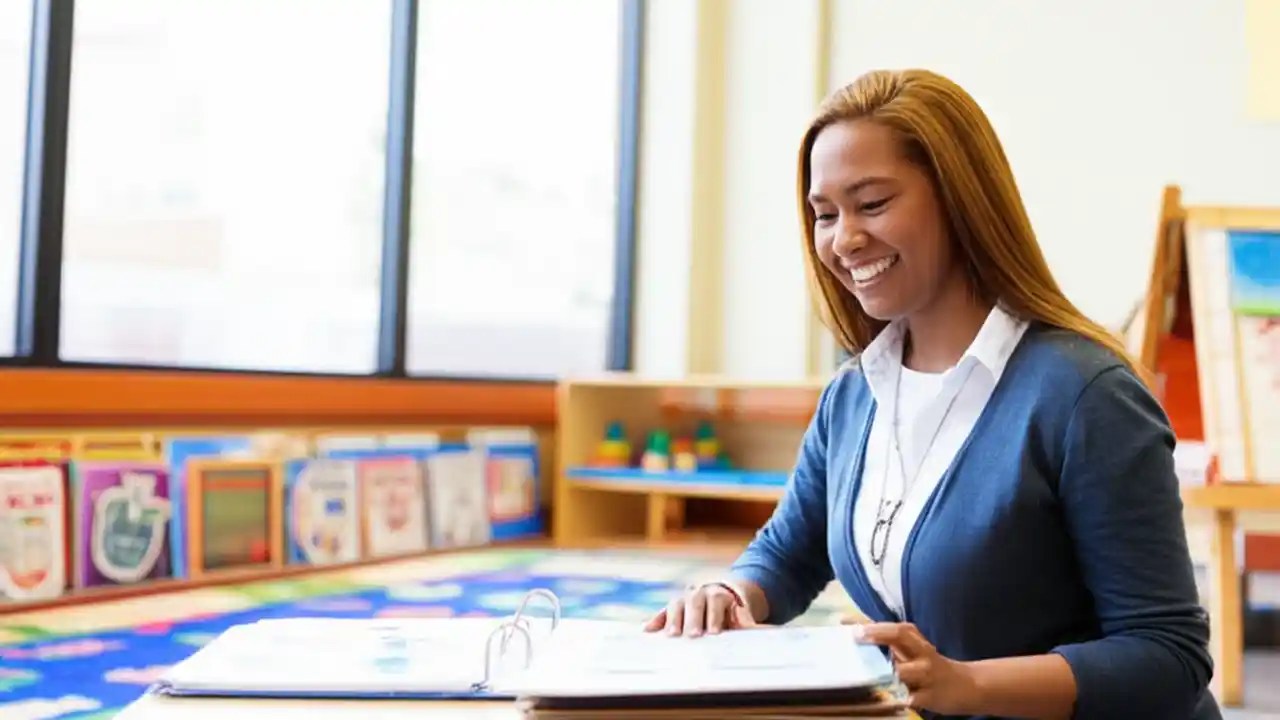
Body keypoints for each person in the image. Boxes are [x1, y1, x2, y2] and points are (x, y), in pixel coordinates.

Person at [643, 69, 1218, 720]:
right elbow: (787, 551)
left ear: (959, 198)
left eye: (873, 203)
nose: (843, 238)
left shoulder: (1086, 397)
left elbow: (1168, 656)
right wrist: (729, 591)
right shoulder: (854, 394)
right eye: (824, 214)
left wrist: (967, 685)